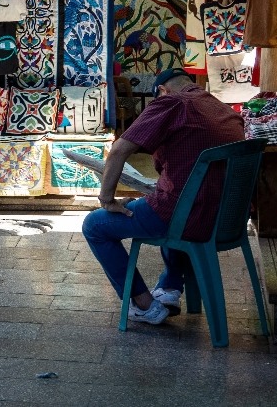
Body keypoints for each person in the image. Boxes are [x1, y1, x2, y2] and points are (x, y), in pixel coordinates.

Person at [82, 68, 245, 325]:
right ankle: (170, 288)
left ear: (162, 90)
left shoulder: (172, 102)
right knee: (172, 198)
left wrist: (107, 200)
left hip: (187, 217)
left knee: (95, 225)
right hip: (221, 218)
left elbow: (119, 150)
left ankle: (145, 306)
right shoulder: (224, 110)